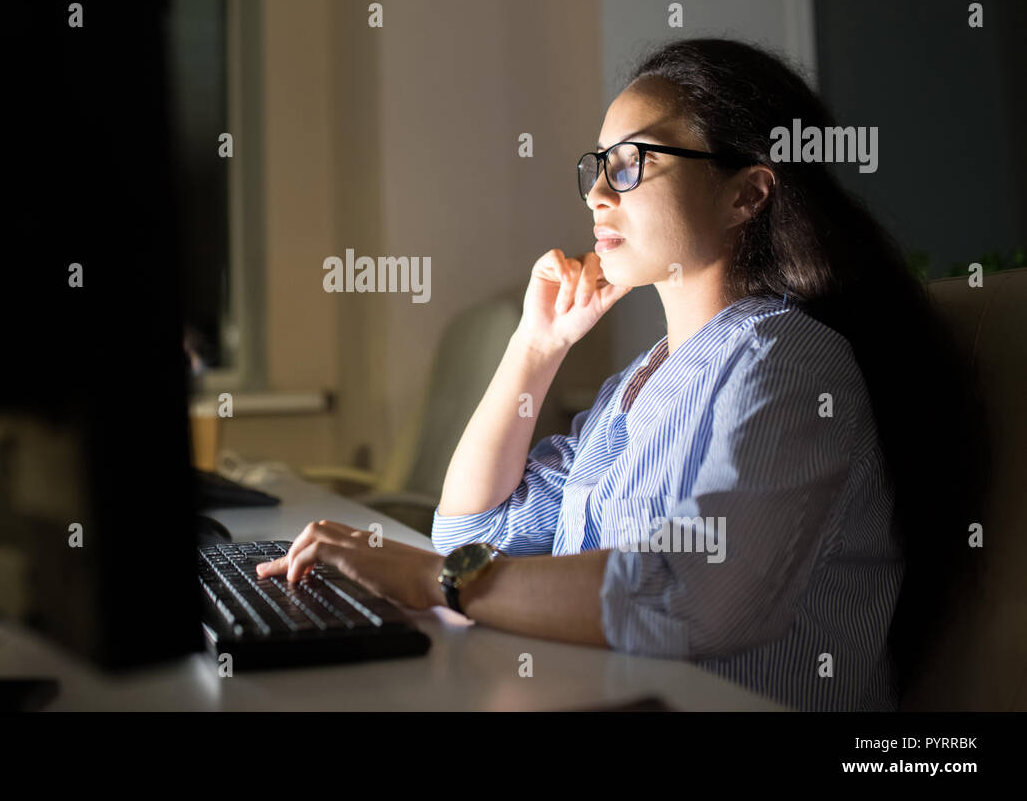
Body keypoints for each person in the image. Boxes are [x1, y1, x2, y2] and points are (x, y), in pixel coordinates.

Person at [255, 38, 988, 712]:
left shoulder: (787, 362)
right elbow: (472, 531)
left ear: (746, 194)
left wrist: (432, 581)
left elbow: (694, 592)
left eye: (634, 162)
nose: (598, 193)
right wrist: (535, 349)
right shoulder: (638, 384)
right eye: (597, 164)